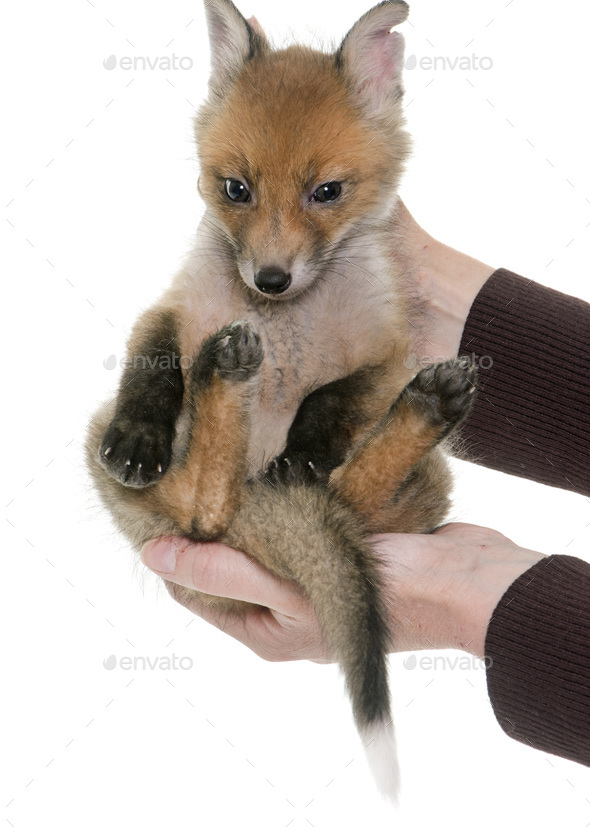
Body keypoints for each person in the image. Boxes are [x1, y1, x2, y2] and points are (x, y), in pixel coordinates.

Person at [141, 200, 590, 767]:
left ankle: (239, 440)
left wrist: (467, 593)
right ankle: (264, 453)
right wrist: (414, 298)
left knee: (390, 485)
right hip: (247, 474)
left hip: (262, 481)